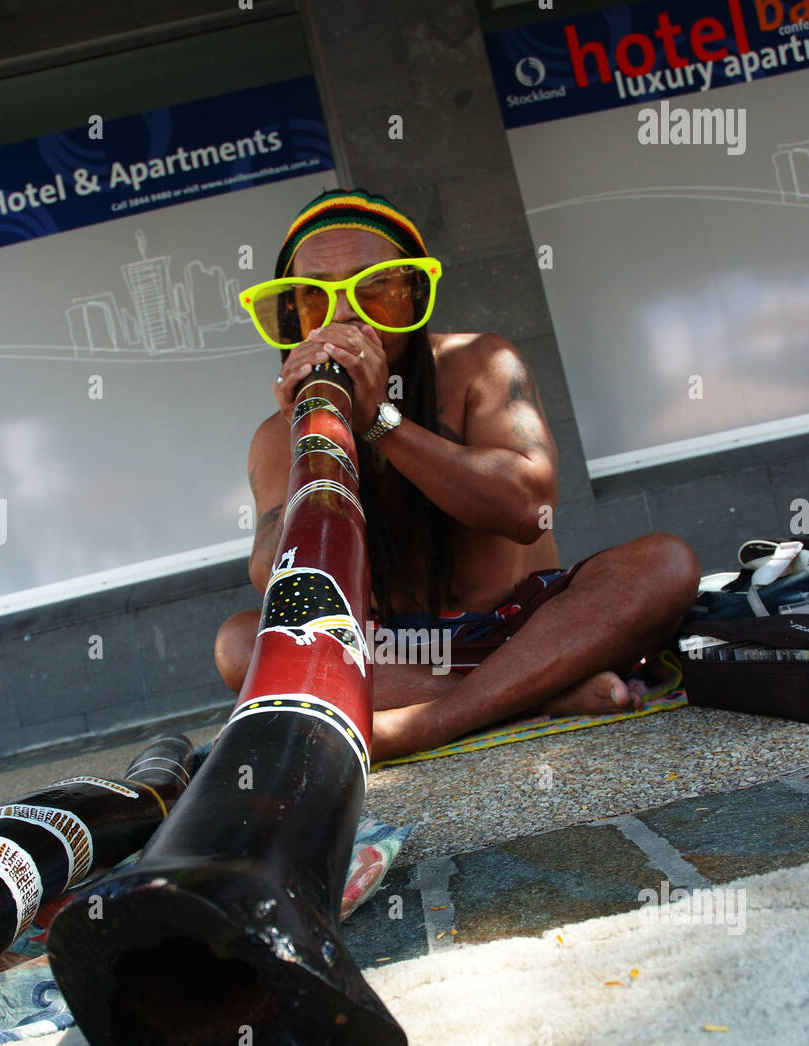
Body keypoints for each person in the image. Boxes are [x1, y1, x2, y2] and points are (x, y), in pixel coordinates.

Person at [215, 188, 701, 764]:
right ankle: (538, 696)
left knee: (665, 563)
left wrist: (381, 423)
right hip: (400, 659)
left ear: (415, 296)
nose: (344, 314)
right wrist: (314, 437)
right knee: (240, 643)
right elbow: (275, 576)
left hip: (529, 632)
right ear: (292, 316)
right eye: (314, 299)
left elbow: (527, 508)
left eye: (376, 289)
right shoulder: (280, 432)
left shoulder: (481, 362)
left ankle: (427, 724)